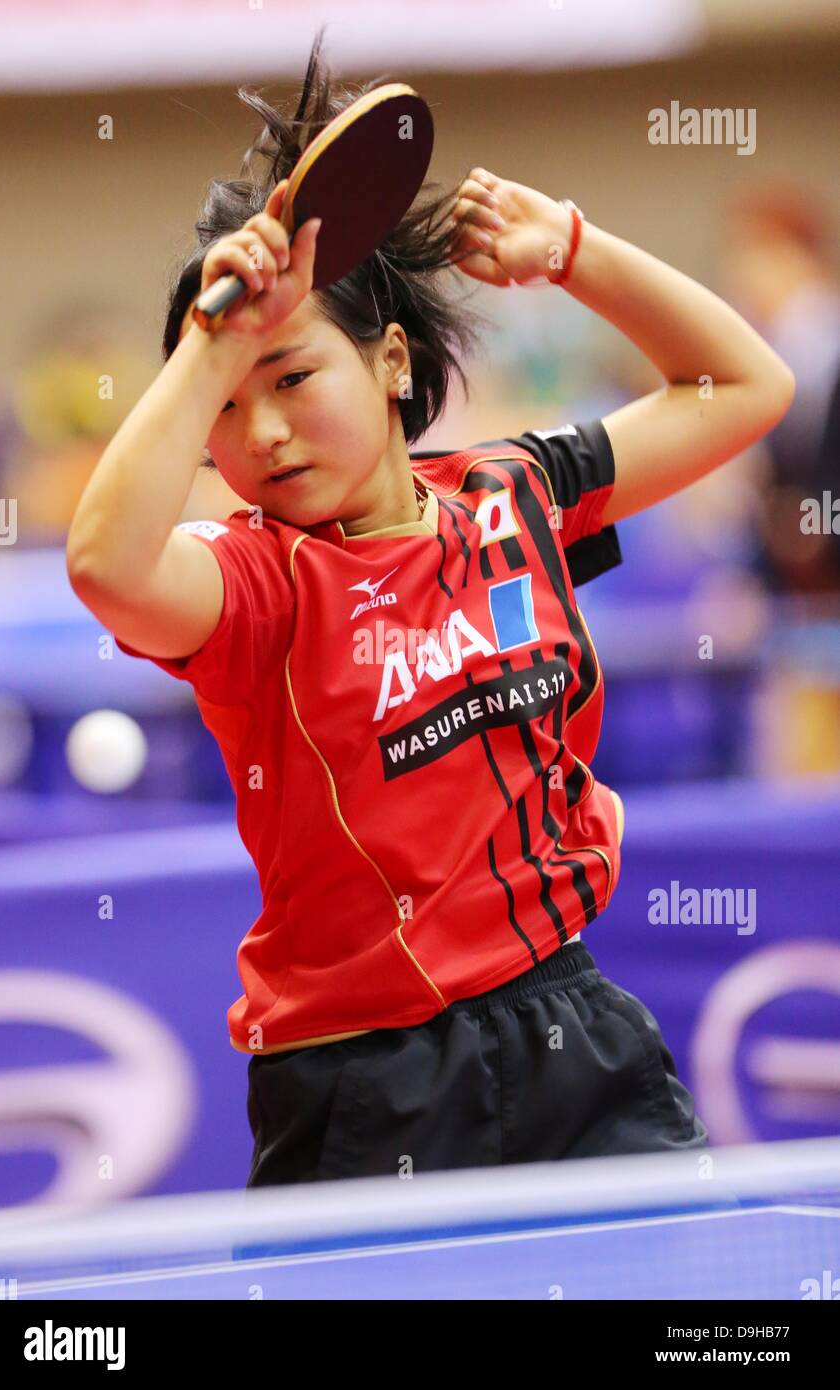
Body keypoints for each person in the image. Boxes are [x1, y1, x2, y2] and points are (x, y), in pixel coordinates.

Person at [66, 31, 795, 1185]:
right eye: (227, 409)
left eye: (294, 378)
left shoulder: (516, 497)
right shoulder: (253, 585)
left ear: (391, 360)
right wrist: (217, 337)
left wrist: (570, 250)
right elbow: (105, 562)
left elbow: (743, 386)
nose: (260, 433)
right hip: (362, 1085)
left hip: (572, 1030)